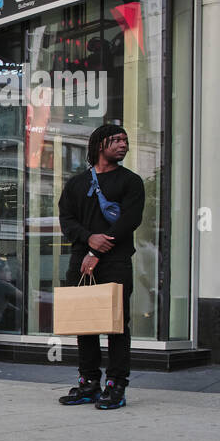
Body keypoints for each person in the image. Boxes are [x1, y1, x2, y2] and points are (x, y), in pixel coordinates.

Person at [56, 124, 144, 410]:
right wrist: (87, 239)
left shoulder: (131, 181)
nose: (123, 144)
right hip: (81, 262)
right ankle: (89, 383)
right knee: (85, 324)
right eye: (116, 140)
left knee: (117, 325)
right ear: (98, 145)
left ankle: (116, 384)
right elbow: (67, 220)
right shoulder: (76, 184)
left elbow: (129, 220)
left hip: (114, 261)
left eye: (125, 140)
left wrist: (96, 248)